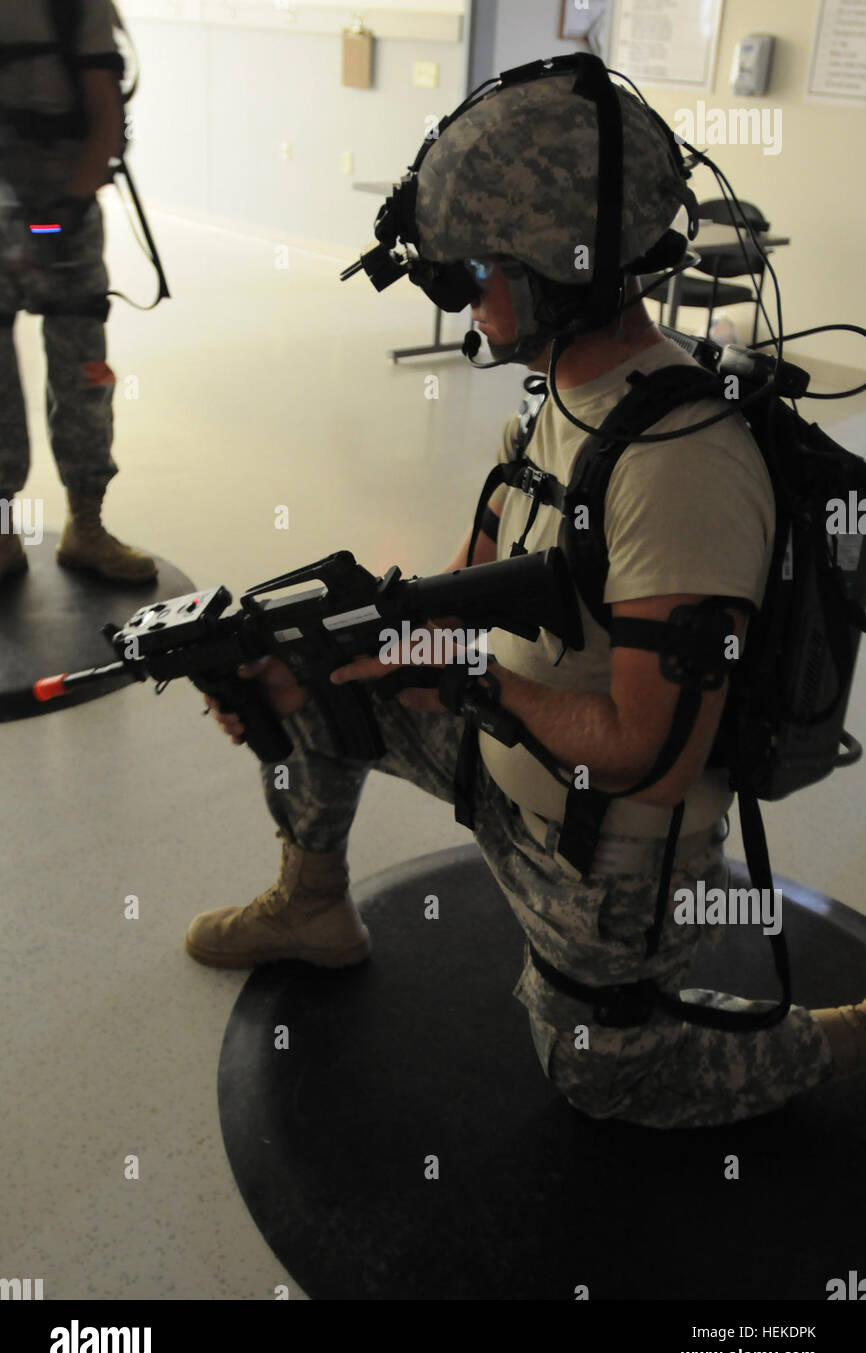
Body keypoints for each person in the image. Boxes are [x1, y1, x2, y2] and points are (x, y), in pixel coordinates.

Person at [190, 61, 865, 1128]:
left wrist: (462, 681)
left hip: (610, 854)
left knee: (602, 1076)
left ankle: (838, 1034)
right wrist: (323, 656)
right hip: (511, 757)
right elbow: (464, 598)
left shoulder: (680, 464)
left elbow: (648, 752)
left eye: (470, 273)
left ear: (563, 272)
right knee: (313, 685)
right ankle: (312, 909)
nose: (460, 298)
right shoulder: (559, 397)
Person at [0, 0, 155, 584]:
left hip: (61, 218)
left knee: (84, 376)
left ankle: (86, 527)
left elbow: (105, 117)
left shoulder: (74, 5)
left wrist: (54, 218)